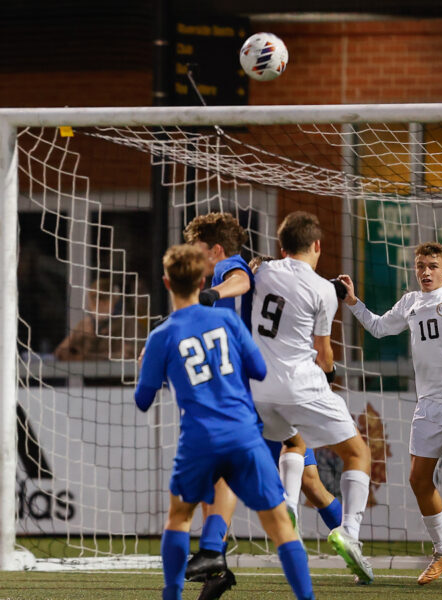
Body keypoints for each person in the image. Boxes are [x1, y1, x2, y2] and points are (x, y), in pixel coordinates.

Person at [135, 244, 314, 600]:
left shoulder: (162, 336)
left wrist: (158, 367)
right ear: (203, 279)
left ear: (166, 282)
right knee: (280, 526)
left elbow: (143, 400)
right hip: (244, 435)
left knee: (179, 519)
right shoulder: (228, 320)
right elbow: (259, 369)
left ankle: (172, 596)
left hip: (199, 439)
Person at [182, 219, 343, 600]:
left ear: (215, 249)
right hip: (273, 391)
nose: (194, 258)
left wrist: (214, 294)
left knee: (220, 474)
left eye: (198, 249)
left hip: (256, 393)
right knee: (310, 484)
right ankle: (348, 538)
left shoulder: (228, 268)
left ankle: (215, 560)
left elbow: (240, 278)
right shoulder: (257, 270)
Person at [339, 243, 442, 590]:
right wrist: (352, 302)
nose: (425, 272)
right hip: (428, 403)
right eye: (420, 266)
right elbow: (377, 328)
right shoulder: (409, 302)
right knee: (418, 480)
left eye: (432, 266)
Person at [250, 211, 374, 584]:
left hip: (257, 388)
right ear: (317, 245)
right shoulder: (322, 289)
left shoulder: (261, 272)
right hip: (300, 384)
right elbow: (324, 354)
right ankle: (349, 532)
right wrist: (331, 377)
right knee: (358, 452)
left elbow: (259, 267)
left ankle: (288, 505)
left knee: (292, 440)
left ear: (281, 245)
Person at [54, 276, 131, 361]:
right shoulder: (84, 325)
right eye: (93, 298)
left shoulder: (127, 323)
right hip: (83, 373)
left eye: (102, 297)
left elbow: (128, 355)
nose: (98, 303)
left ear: (114, 299)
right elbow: (60, 352)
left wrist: (88, 358)